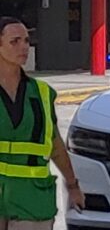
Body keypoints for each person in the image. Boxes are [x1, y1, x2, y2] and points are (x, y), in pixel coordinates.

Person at [0, 17, 85, 229]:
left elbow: (55, 143)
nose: (24, 47)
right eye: (15, 41)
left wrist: (73, 185)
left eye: (27, 40)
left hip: (32, 199)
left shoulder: (41, 93)